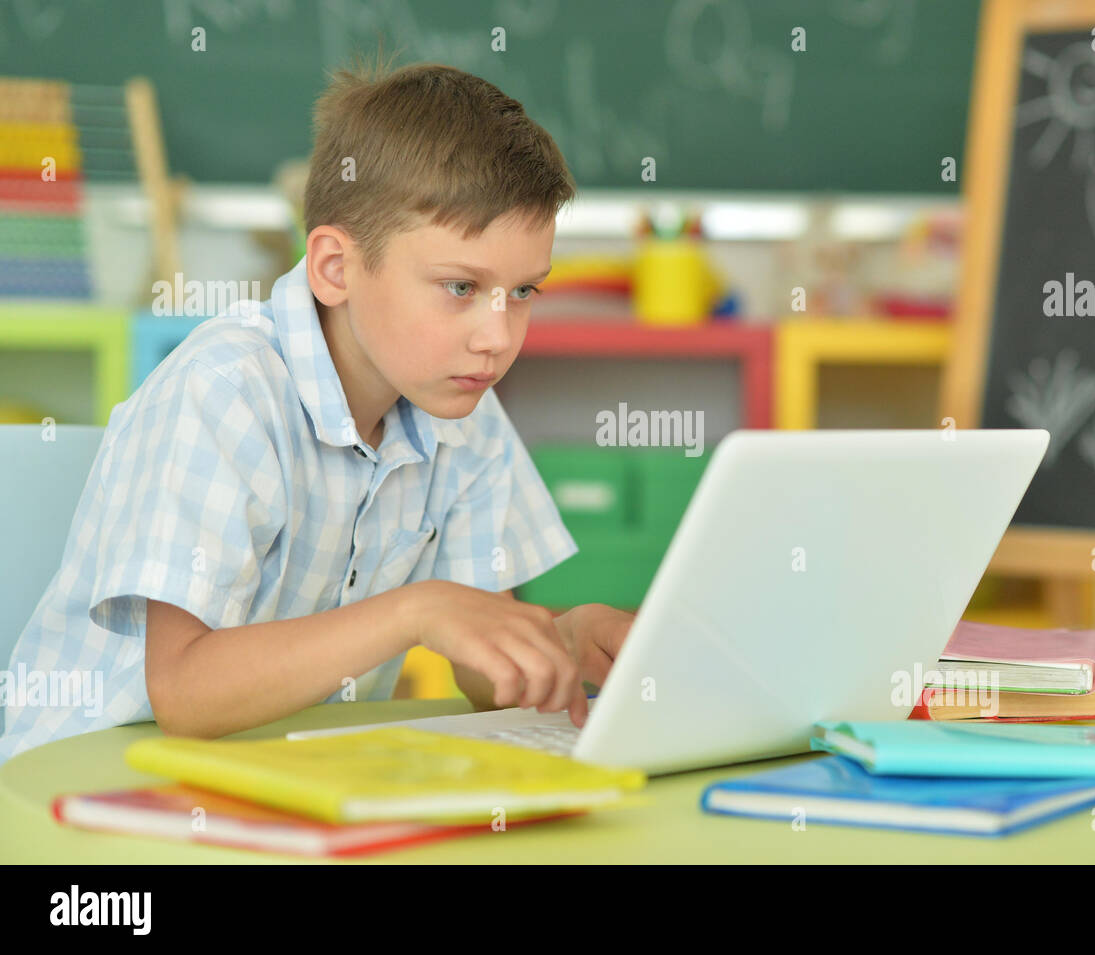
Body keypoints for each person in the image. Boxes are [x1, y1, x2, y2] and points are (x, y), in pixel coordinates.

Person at [0, 59, 633, 763]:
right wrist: (415, 612)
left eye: (522, 293)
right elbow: (182, 689)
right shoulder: (226, 389)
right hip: (80, 781)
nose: (497, 335)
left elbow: (482, 674)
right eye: (460, 286)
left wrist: (553, 642)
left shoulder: (463, 411)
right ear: (335, 268)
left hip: (274, 778)